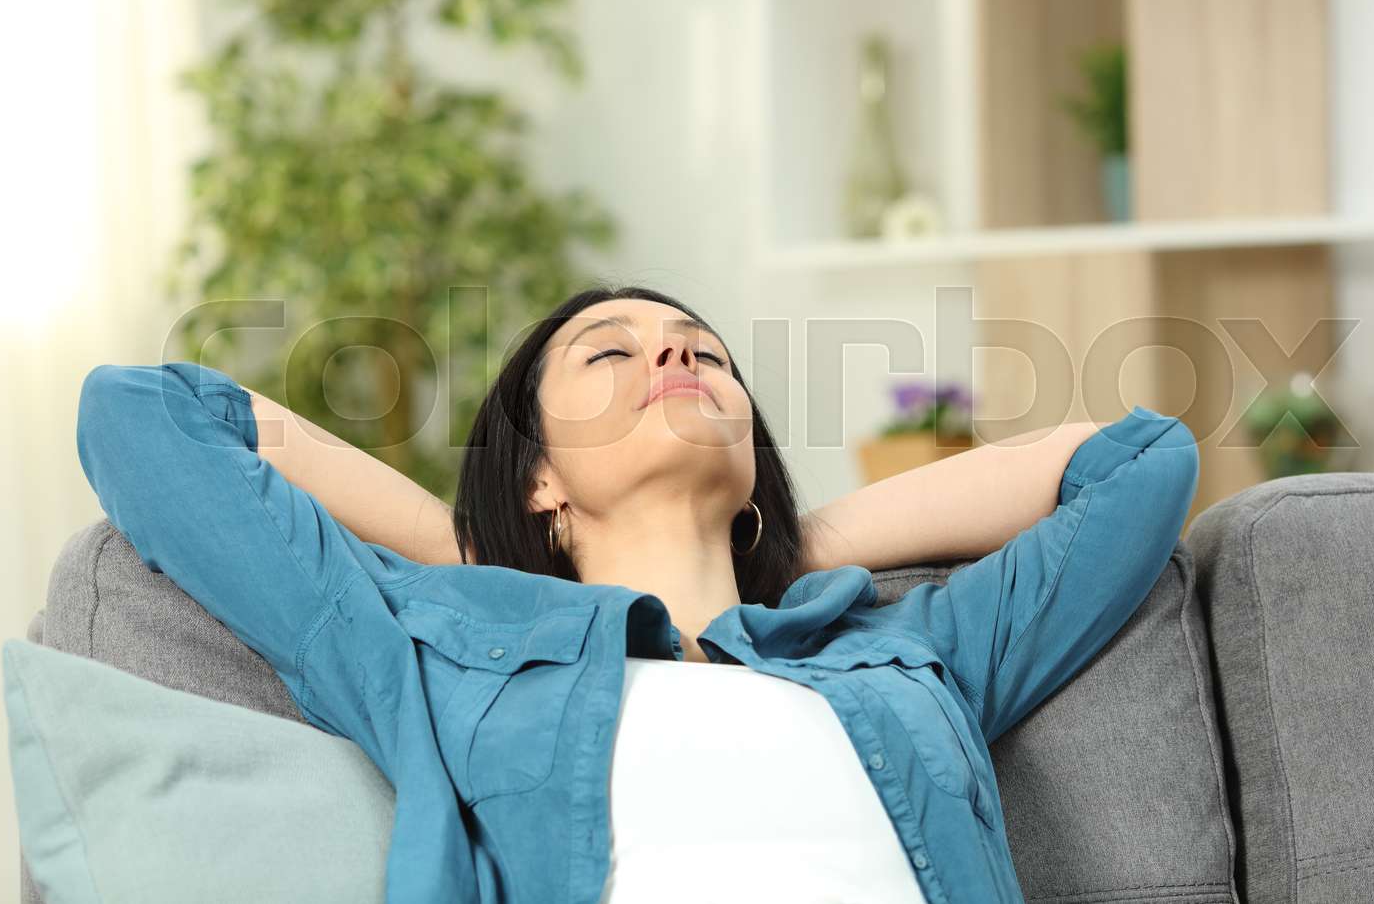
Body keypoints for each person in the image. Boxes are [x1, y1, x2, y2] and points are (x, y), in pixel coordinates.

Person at [74, 283, 1200, 904]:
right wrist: (471, 544)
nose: (676, 360)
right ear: (541, 474)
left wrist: (793, 540)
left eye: (705, 354)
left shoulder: (910, 648)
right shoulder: (437, 650)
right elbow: (145, 413)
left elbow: (1139, 463)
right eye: (610, 355)